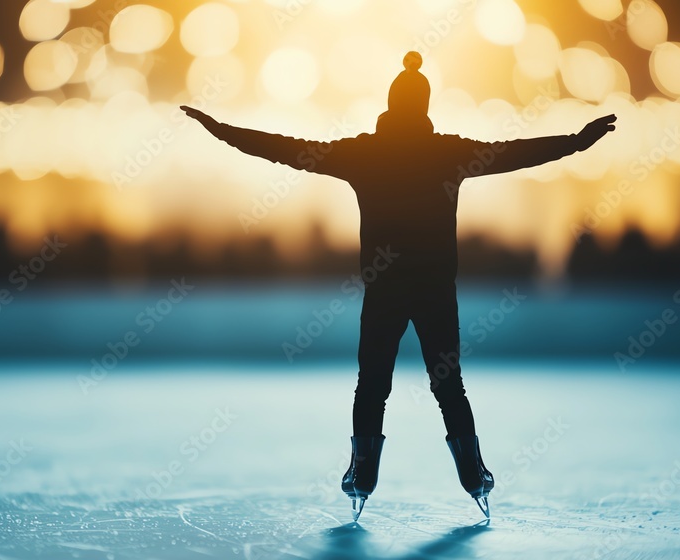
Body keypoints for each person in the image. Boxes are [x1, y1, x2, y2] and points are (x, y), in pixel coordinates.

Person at [182, 52, 616, 520]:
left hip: (385, 290)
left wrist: (222, 130)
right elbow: (514, 152)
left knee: (372, 385)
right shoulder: (448, 152)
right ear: (425, 107)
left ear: (389, 105)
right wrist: (574, 142)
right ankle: (473, 473)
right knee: (449, 386)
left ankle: (362, 470)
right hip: (434, 290)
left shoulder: (363, 153)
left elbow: (286, 148)